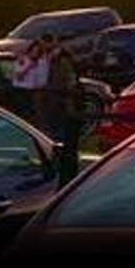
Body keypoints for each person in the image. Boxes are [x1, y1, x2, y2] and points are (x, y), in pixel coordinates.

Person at [42, 36, 84, 183]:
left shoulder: (64, 60)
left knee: (67, 143)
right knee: (63, 141)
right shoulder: (56, 59)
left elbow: (69, 83)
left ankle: (69, 175)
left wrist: (68, 105)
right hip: (61, 104)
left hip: (66, 106)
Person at [13, 35, 53, 123]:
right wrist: (28, 67)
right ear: (29, 50)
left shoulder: (39, 61)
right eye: (33, 51)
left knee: (35, 112)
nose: (35, 53)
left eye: (37, 51)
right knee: (26, 113)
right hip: (22, 90)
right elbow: (18, 76)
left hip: (34, 90)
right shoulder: (23, 60)